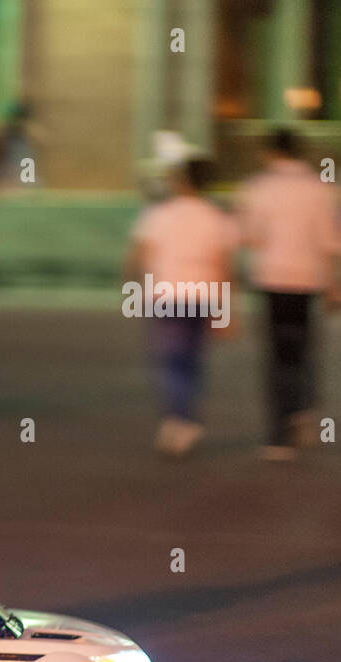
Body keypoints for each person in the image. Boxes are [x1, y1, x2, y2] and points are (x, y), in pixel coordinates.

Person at [237, 127, 341, 461]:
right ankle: (303, 408)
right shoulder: (321, 189)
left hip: (273, 278)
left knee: (277, 356)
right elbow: (333, 242)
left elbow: (250, 236)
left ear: (269, 153)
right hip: (309, 279)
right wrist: (336, 285)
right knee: (303, 346)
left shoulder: (257, 188)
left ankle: (279, 435)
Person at [124, 157, 239, 456]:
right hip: (201, 294)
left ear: (183, 181)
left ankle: (178, 417)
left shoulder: (158, 214)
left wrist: (132, 293)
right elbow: (223, 267)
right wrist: (226, 313)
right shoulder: (216, 217)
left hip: (166, 294)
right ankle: (184, 418)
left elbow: (139, 256)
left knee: (170, 360)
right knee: (191, 360)